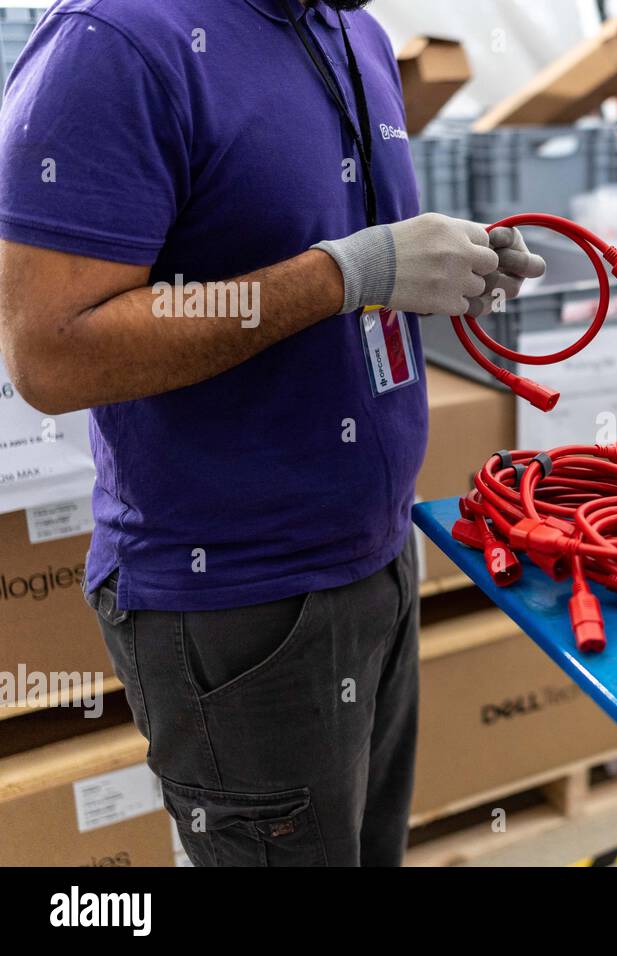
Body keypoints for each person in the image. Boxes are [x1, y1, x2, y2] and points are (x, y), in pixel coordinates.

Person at [0, 0, 544, 866]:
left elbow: (314, 245)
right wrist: (347, 274)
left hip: (379, 558)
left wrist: (445, 267)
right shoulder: (116, 44)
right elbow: (53, 355)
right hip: (240, 601)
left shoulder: (349, 31)